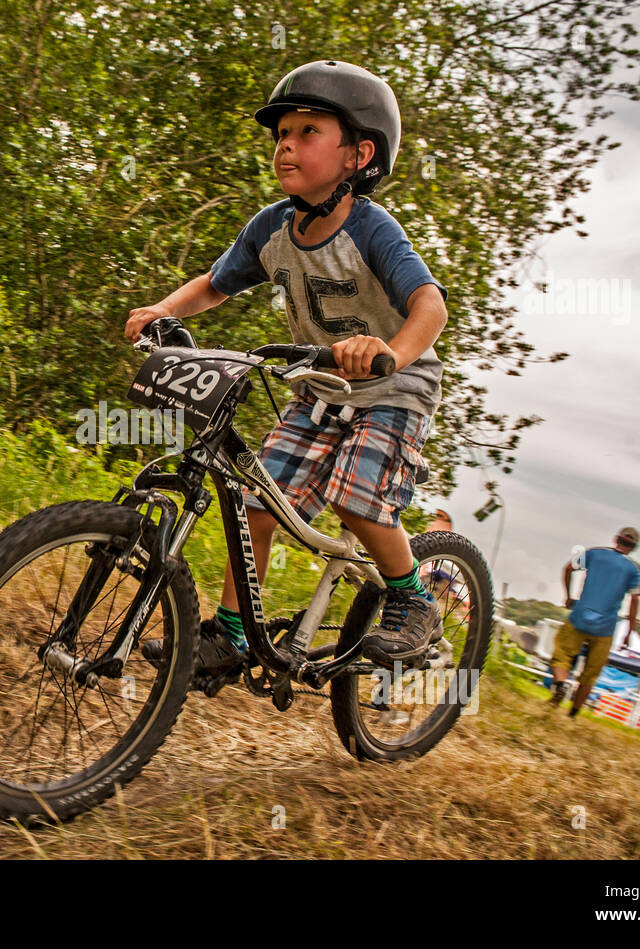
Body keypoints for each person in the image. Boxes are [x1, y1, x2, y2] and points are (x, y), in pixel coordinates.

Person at [127, 61, 449, 679]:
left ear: (358, 155)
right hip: (320, 386)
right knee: (255, 501)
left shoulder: (371, 229)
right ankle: (231, 635)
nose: (286, 145)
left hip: (393, 389)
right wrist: (165, 309)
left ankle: (413, 600)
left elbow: (429, 306)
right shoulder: (272, 228)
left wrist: (389, 352)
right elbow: (215, 285)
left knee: (356, 502)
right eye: (282, 134)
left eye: (307, 132)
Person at [548, 527, 640, 717]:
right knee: (590, 674)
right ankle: (573, 714)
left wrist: (568, 597)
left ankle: (560, 686)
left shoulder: (594, 553)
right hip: (605, 628)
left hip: (579, 617)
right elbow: (634, 600)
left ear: (616, 539)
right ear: (634, 548)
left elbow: (568, 569)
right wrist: (629, 631)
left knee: (562, 657)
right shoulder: (634, 570)